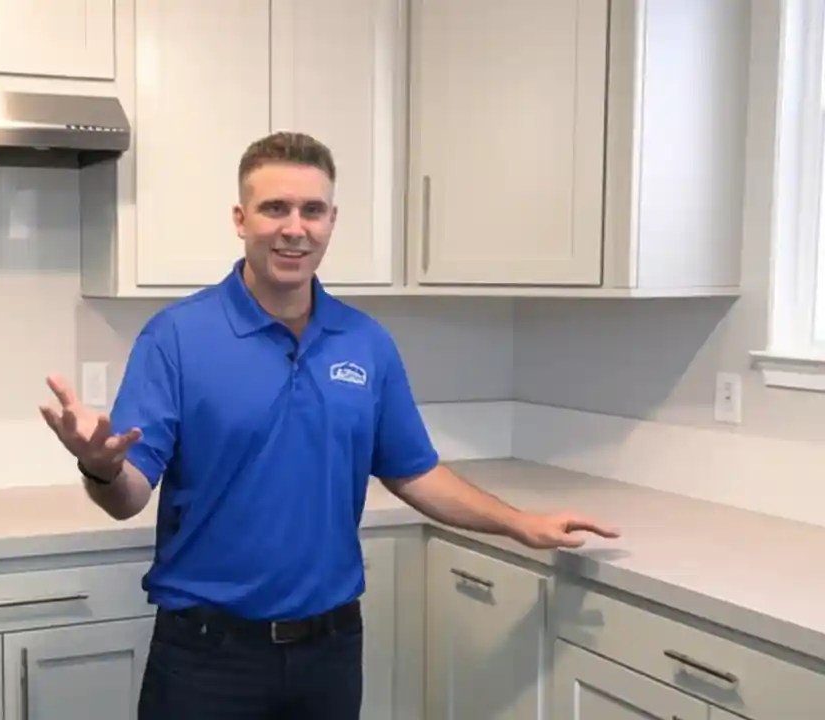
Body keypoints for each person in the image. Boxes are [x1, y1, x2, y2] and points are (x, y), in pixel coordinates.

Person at [39, 131, 619, 719]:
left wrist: (521, 524)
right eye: (275, 208)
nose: (295, 228)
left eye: (312, 210)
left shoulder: (366, 343)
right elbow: (128, 494)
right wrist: (100, 465)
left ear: (332, 221)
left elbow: (414, 472)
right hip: (206, 656)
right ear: (241, 219)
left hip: (330, 653)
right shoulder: (177, 338)